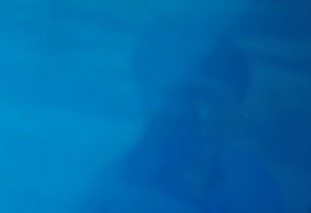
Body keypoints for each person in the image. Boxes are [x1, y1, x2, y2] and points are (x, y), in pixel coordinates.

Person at [73, 21, 284, 213]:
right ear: (150, 102)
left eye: (217, 101)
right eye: (186, 98)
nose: (201, 115)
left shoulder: (255, 181)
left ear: (239, 107)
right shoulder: (110, 202)